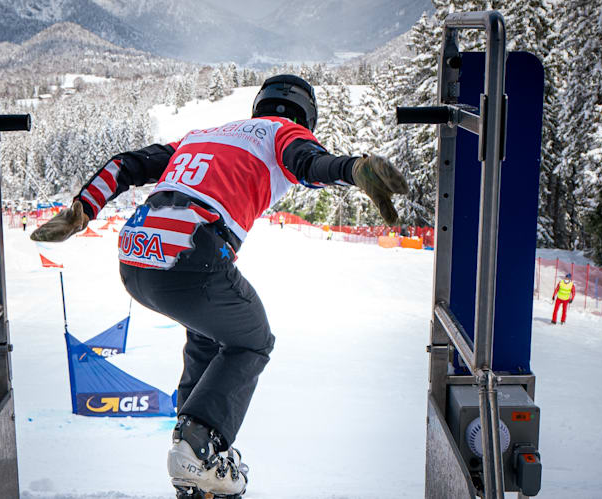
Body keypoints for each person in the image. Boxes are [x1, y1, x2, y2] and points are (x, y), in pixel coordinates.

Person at [31, 74, 408, 497]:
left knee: (209, 336)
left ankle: (191, 445)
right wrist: (354, 169)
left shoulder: (202, 134)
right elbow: (310, 164)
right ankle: (196, 446)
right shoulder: (285, 132)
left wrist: (84, 207)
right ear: (306, 117)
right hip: (192, 251)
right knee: (252, 339)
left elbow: (126, 164)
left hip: (136, 254)